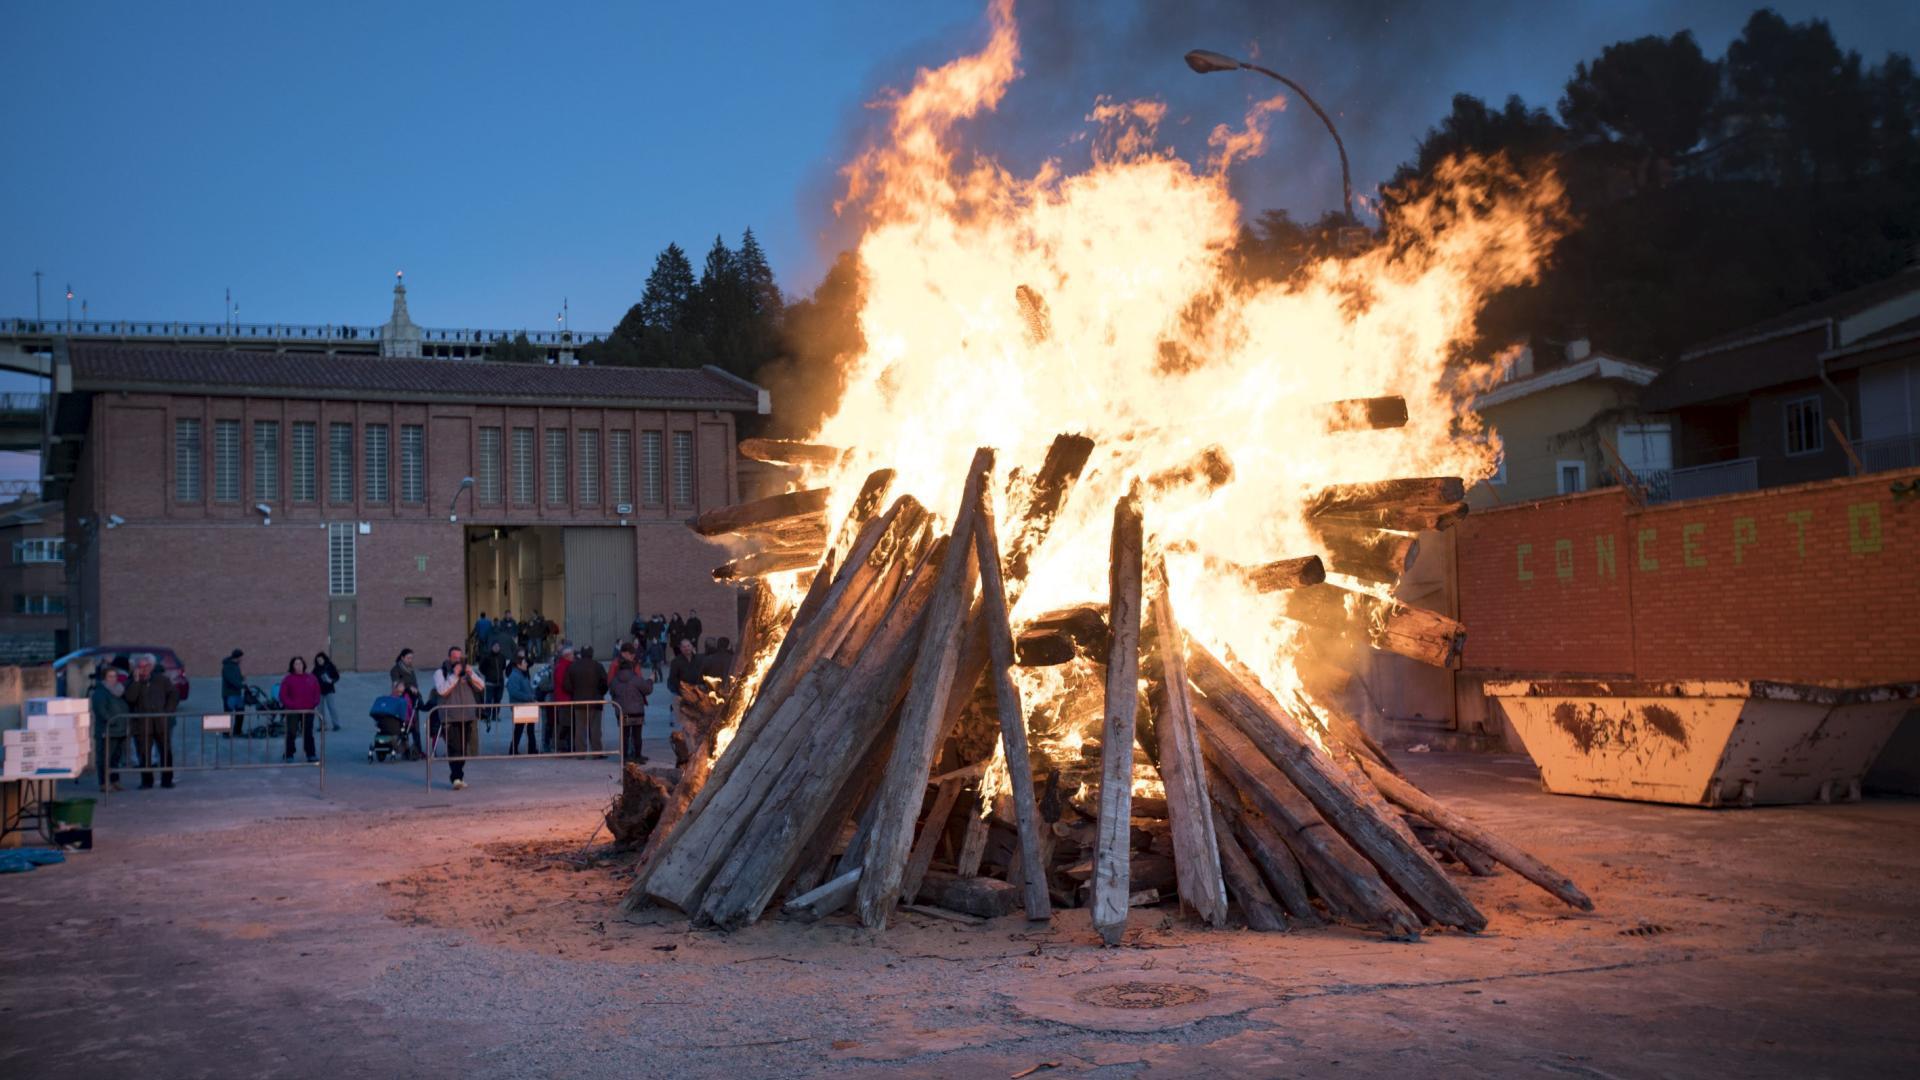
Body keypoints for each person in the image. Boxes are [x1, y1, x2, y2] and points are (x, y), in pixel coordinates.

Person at [433, 646, 485, 790]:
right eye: (455, 657)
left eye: (460, 657)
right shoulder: (440, 672)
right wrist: (454, 676)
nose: (458, 660)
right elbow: (442, 691)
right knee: (454, 747)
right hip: (450, 717)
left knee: (463, 748)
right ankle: (456, 777)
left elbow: (481, 686)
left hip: (467, 715)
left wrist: (471, 674)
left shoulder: (466, 672)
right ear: (449, 657)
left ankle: (458, 776)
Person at [125, 653, 180, 789]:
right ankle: (147, 781)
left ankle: (167, 780)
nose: (144, 669)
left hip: (160, 722)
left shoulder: (161, 680)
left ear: (152, 666)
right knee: (144, 754)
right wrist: (137, 681)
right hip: (142, 724)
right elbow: (130, 698)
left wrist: (168, 711)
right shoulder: (131, 681)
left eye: (147, 666)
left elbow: (174, 694)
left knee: (166, 752)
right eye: (141, 666)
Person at [607, 642, 652, 762]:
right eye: (631, 655)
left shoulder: (617, 676)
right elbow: (643, 685)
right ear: (624, 653)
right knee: (637, 733)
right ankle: (636, 755)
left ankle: (626, 756)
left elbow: (611, 685)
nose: (633, 657)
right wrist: (649, 681)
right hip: (636, 705)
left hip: (622, 706)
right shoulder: (618, 665)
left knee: (625, 733)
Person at [90, 663, 131, 792]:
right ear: (104, 678)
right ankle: (104, 783)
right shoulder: (100, 692)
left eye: (114, 676)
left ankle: (115, 781)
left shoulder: (119, 690)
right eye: (110, 676)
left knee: (115, 758)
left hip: (120, 730)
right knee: (104, 758)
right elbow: (101, 711)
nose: (113, 679)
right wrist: (112, 721)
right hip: (107, 730)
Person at [563, 645, 608, 754]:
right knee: (595, 728)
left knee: (580, 729)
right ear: (592, 654)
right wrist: (600, 693)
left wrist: (575, 693)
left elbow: (567, 685)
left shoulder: (573, 666)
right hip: (595, 702)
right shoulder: (598, 666)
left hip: (579, 702)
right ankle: (597, 752)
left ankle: (581, 752)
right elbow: (605, 683)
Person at [278, 656, 322, 763]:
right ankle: (289, 754)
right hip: (293, 711)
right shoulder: (288, 679)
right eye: (296, 664)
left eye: (300, 663)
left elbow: (317, 692)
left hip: (308, 710)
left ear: (304, 665)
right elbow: (283, 695)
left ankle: (310, 754)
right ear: (292, 666)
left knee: (308, 732)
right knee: (291, 732)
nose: (298, 666)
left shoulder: (311, 678)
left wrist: (313, 703)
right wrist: (291, 705)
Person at [390, 648, 424, 758]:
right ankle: (405, 749)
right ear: (402, 657)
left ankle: (418, 750)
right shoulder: (395, 669)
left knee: (416, 726)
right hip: (403, 700)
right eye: (408, 658)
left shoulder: (410, 669)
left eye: (412, 658)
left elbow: (415, 684)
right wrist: (408, 687)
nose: (410, 660)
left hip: (414, 700)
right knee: (404, 725)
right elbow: (397, 684)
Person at [506, 653, 540, 755]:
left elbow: (527, 688)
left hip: (526, 705)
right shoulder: (515, 676)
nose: (526, 665)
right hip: (520, 706)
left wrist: (532, 696)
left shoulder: (522, 674)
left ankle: (531, 749)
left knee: (529, 728)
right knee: (520, 729)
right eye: (525, 663)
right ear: (518, 665)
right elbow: (514, 692)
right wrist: (529, 697)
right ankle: (514, 750)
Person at [549, 644, 575, 751]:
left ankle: (564, 744)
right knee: (564, 724)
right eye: (572, 654)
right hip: (564, 700)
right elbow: (563, 684)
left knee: (566, 723)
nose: (574, 656)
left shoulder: (564, 666)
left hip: (565, 699)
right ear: (567, 655)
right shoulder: (562, 667)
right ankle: (561, 745)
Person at [479, 640, 508, 723]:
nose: (496, 648)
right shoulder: (487, 657)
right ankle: (487, 716)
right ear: (491, 647)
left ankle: (495, 716)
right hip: (490, 682)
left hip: (500, 682)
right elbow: (481, 668)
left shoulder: (502, 657)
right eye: (495, 646)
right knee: (489, 700)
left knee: (498, 700)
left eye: (498, 646)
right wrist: (488, 674)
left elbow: (503, 667)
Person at [313, 651, 341, 731]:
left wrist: (331, 681)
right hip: (319, 691)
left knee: (332, 707)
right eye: (318, 660)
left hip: (329, 690)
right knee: (320, 709)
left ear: (324, 659)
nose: (319, 661)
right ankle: (322, 725)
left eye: (321, 660)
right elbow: (312, 679)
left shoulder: (330, 666)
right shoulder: (316, 669)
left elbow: (337, 676)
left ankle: (336, 724)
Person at [220, 648, 246, 733]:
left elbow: (236, 677)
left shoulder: (235, 665)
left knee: (241, 712)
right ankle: (226, 732)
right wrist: (241, 685)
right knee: (228, 713)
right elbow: (231, 679)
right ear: (237, 657)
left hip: (237, 693)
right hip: (229, 694)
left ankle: (237, 730)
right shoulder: (227, 666)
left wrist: (241, 678)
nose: (242, 660)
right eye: (241, 658)